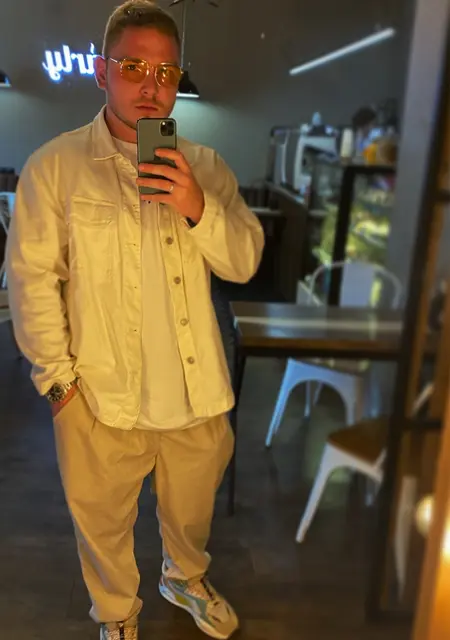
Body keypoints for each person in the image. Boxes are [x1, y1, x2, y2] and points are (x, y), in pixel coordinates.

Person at [6, 2, 264, 639]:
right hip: (100, 397)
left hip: (196, 396)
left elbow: (244, 261)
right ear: (102, 72)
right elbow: (32, 279)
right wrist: (59, 386)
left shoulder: (205, 166)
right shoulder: (55, 167)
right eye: (133, 67)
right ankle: (117, 615)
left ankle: (184, 576)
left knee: (193, 513)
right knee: (101, 524)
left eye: (166, 72)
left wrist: (197, 206)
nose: (151, 86)